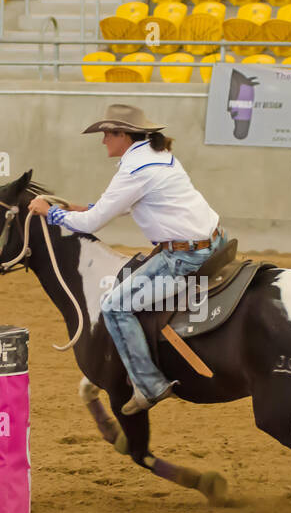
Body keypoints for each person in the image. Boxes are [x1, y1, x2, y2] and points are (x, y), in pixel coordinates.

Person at [28, 104, 226, 415]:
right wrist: (81, 208)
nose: (102, 140)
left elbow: (92, 225)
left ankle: (150, 385)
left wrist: (50, 212)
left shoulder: (135, 170)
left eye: (107, 133)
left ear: (123, 134)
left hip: (184, 256)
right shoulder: (158, 157)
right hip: (213, 242)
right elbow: (120, 205)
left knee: (115, 306)